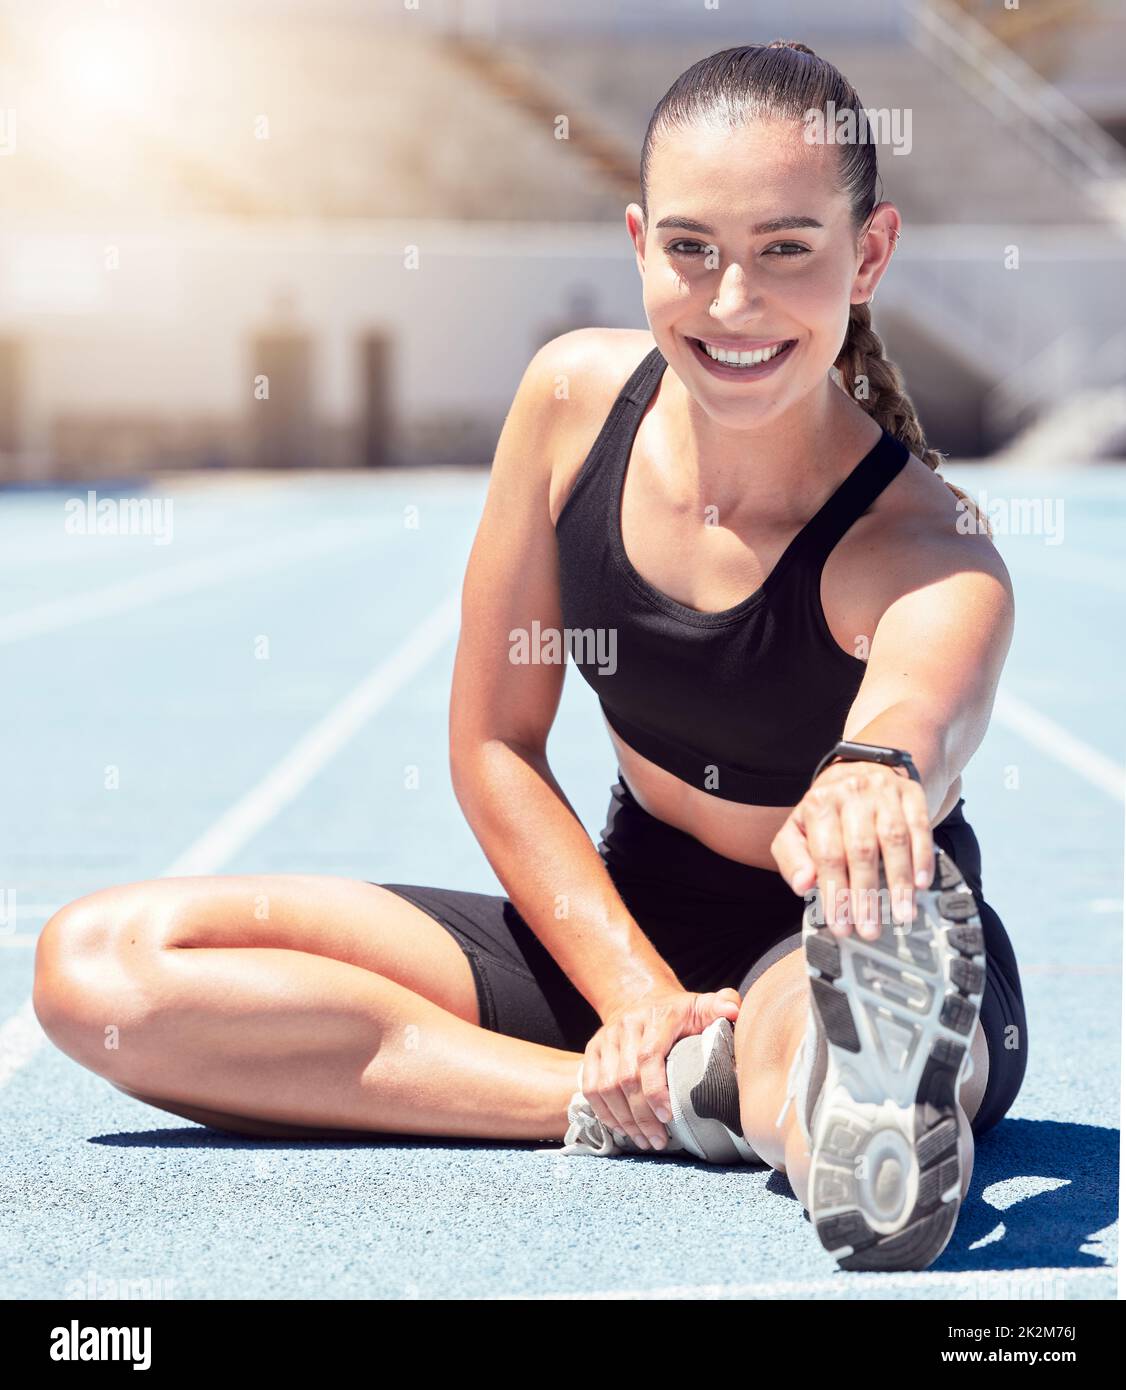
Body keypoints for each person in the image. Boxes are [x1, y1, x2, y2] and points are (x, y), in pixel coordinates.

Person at [32, 41, 1026, 1272]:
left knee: (814, 1037)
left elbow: (918, 707)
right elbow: (494, 744)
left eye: (786, 249)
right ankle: (650, 1097)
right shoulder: (569, 408)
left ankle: (837, 1087)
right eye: (691, 247)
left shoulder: (928, 545)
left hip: (836, 942)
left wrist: (874, 772)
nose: (730, 303)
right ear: (637, 240)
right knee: (102, 969)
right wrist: (640, 1005)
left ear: (866, 253)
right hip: (609, 928)